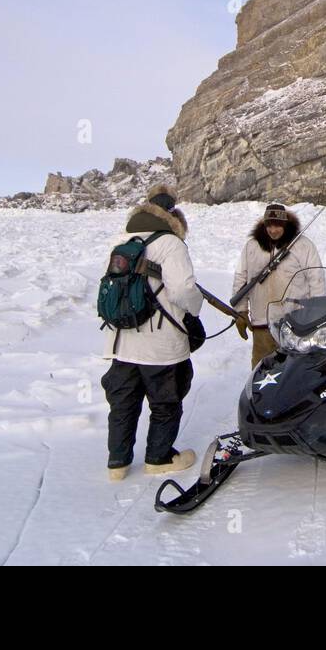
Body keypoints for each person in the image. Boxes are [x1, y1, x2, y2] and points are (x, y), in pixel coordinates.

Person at [101, 184, 204, 481]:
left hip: (121, 342)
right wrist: (193, 311)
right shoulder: (171, 244)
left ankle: (117, 463)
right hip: (160, 343)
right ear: (173, 217)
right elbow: (183, 289)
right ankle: (158, 458)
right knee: (165, 400)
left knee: (123, 402)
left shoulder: (121, 241)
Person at [232, 203, 325, 369]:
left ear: (285, 225)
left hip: (296, 323)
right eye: (269, 225)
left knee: (296, 370)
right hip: (263, 324)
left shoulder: (303, 246)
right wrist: (240, 311)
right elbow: (241, 277)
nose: (273, 230)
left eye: (278, 226)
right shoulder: (252, 246)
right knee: (262, 370)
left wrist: (315, 314)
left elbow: (316, 279)